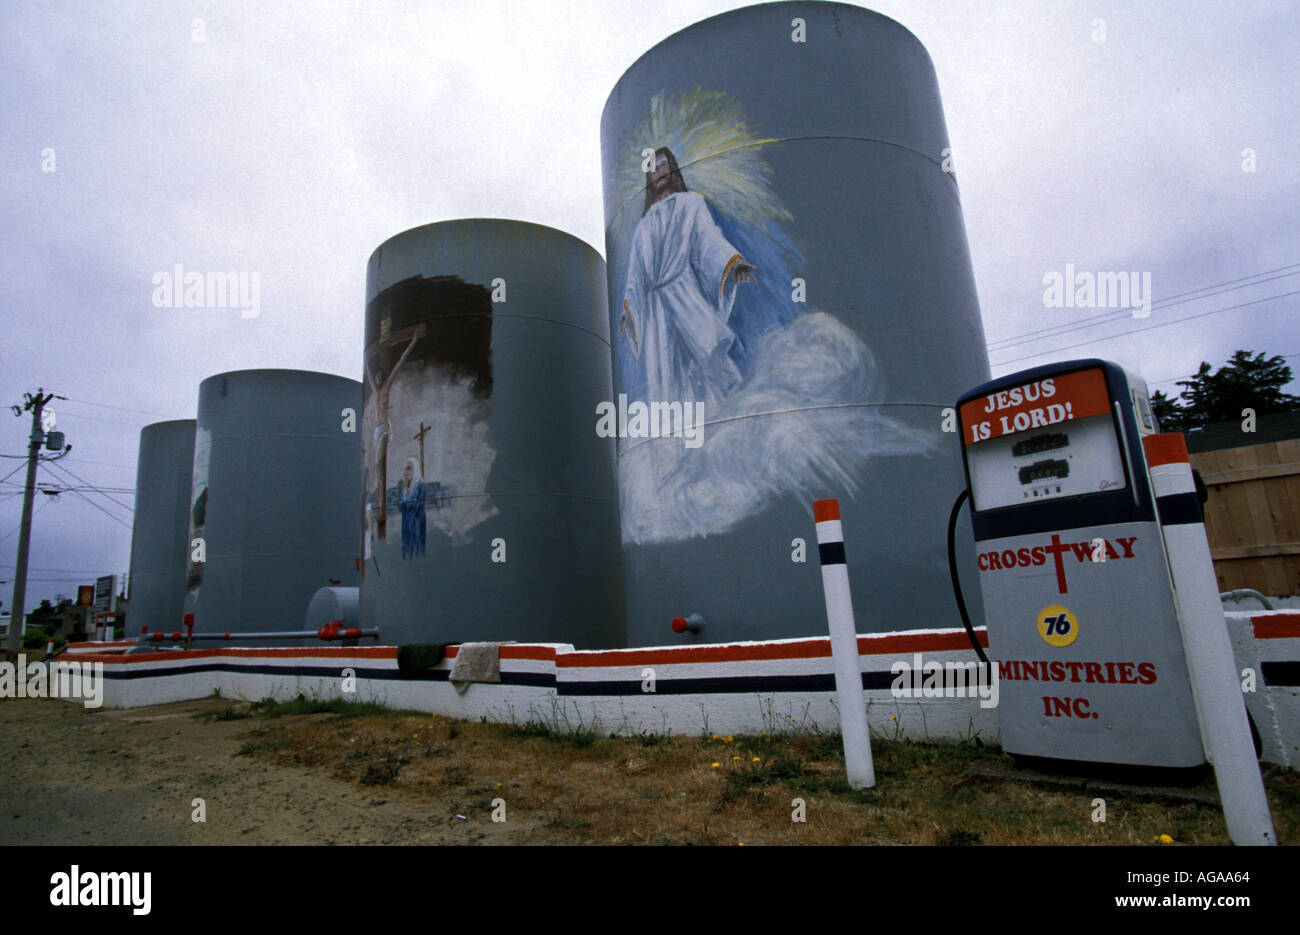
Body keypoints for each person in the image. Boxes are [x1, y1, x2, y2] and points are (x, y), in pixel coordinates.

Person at [619, 147, 757, 406]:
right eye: (652, 169)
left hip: (684, 294)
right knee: (668, 375)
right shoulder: (643, 225)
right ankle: (680, 431)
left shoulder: (691, 203)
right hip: (657, 309)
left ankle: (729, 407)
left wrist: (732, 262)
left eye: (662, 166)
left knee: (705, 358)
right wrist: (629, 308)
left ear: (672, 169)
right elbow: (635, 276)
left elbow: (708, 237)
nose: (658, 172)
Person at [398, 456, 426, 559]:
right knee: (406, 547)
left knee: (416, 548)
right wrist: (405, 494)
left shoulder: (420, 487)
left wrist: (405, 502)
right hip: (406, 523)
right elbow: (400, 508)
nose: (407, 472)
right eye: (406, 468)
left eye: (410, 468)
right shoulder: (403, 487)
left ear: (415, 470)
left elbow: (415, 508)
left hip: (417, 523)